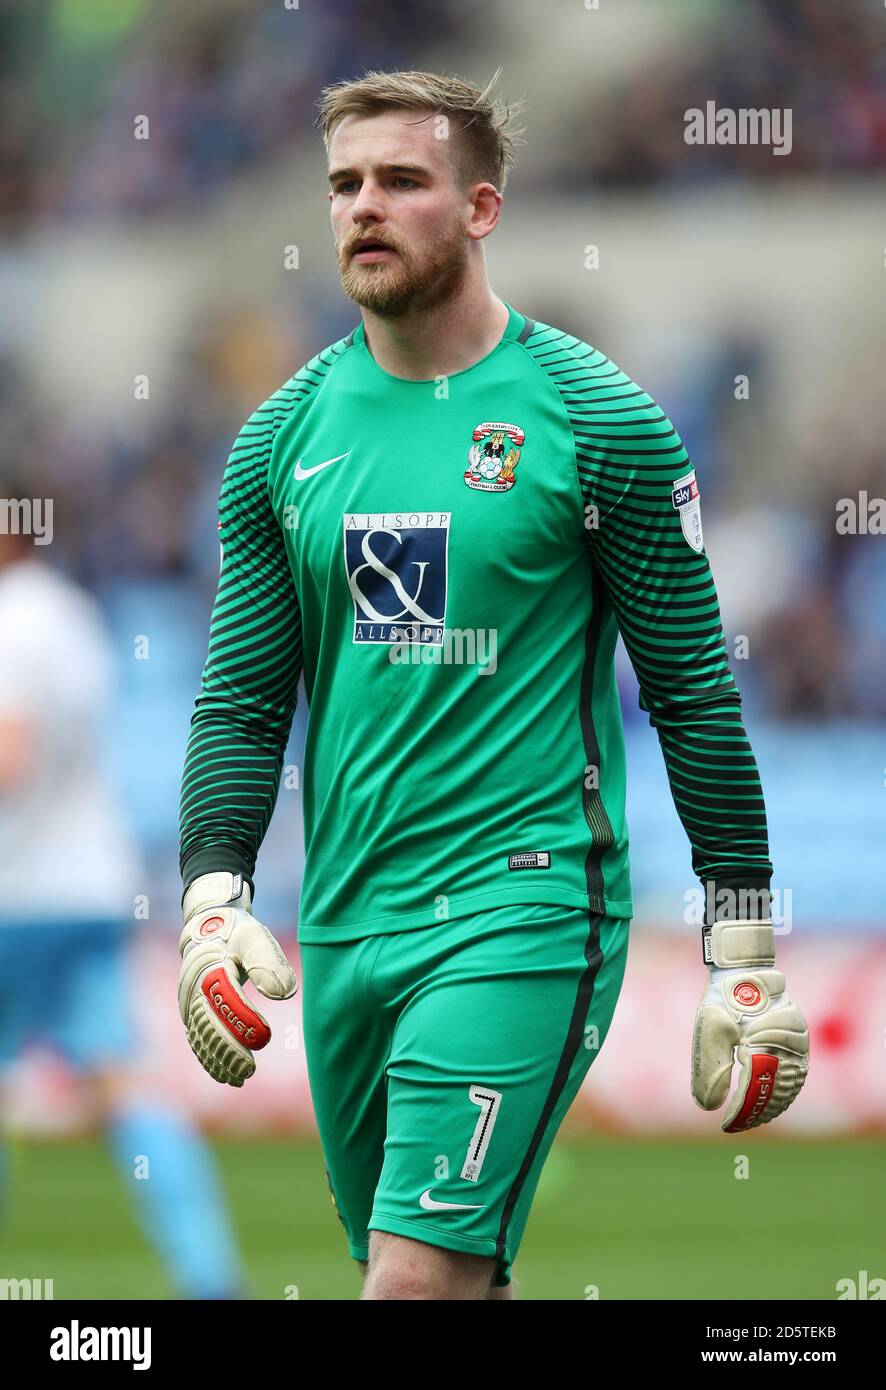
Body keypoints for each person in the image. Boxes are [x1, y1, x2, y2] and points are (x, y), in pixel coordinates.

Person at [177, 68, 809, 1301]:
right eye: (345, 184)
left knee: (410, 1283)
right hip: (347, 921)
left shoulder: (598, 421)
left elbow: (691, 689)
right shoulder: (280, 440)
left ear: (479, 208)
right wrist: (211, 896)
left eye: (400, 181)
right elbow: (244, 699)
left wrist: (741, 943)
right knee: (452, 1281)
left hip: (524, 906)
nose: (364, 206)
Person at [0, 477, 246, 1299]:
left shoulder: (13, 619)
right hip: (85, 884)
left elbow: (10, 755)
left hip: (17, 894)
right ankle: (209, 1277)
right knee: (120, 1078)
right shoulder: (67, 612)